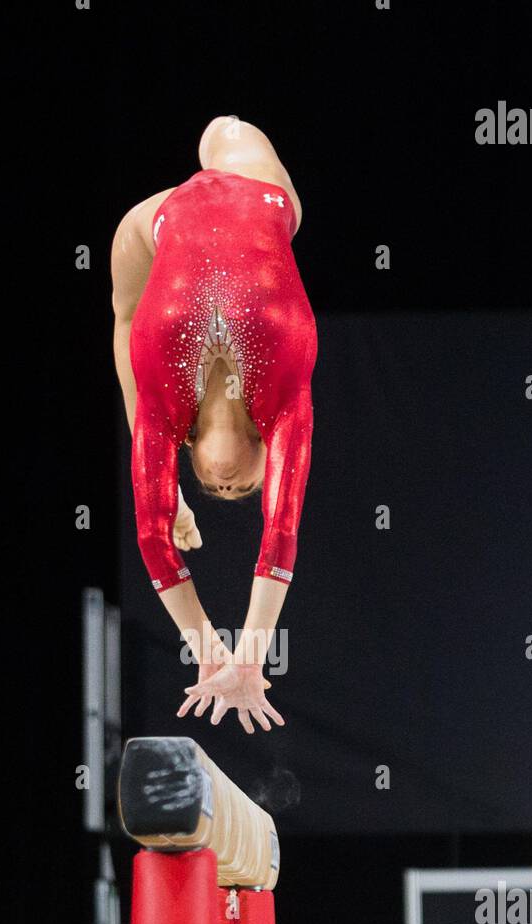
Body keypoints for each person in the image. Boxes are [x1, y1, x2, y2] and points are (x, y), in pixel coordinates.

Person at [111, 115, 317, 733]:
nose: (228, 490)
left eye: (216, 489)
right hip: (255, 189)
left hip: (164, 220)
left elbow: (152, 541)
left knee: (124, 319)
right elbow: (280, 530)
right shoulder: (283, 396)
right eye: (242, 490)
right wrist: (247, 655)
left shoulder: (167, 399)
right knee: (223, 133)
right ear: (265, 450)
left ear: (188, 447)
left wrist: (167, 496)